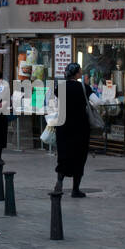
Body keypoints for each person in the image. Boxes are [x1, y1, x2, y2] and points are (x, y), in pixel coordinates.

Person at [53, 63, 90, 197]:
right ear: (77, 74)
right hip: (80, 127)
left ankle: (59, 181)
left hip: (63, 126)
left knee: (64, 156)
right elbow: (96, 101)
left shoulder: (60, 88)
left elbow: (56, 104)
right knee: (79, 157)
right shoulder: (83, 87)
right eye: (80, 71)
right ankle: (75, 189)